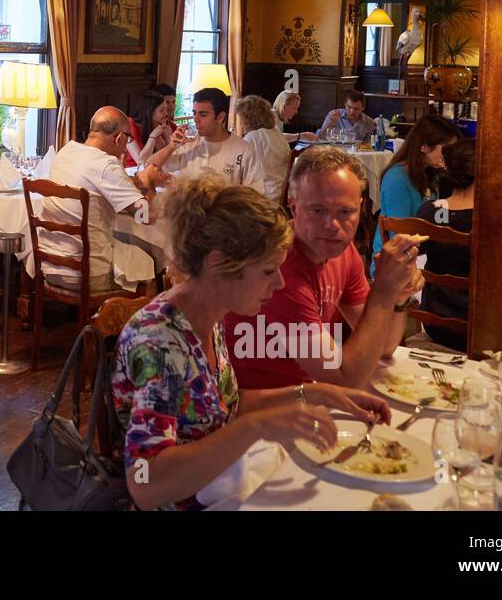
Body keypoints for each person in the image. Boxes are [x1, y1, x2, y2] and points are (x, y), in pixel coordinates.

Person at [112, 173, 390, 511]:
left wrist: (311, 393)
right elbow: (144, 484)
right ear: (218, 264)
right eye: (268, 270)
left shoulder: (209, 317)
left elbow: (220, 409)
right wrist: (257, 426)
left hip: (221, 483)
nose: (280, 282)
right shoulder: (160, 342)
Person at [224, 146, 426, 390]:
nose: (332, 225)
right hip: (261, 409)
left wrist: (398, 296)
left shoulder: (344, 251)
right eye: (318, 210)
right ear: (293, 206)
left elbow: (383, 347)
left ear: (361, 208)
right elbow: (346, 377)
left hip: (308, 394)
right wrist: (383, 292)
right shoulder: (278, 268)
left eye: (345, 211)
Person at [34, 107, 166, 294]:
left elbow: (100, 186)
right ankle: (141, 323)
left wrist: (134, 183)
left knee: (128, 252)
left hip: (50, 265)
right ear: (119, 138)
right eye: (128, 140)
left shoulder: (66, 151)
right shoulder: (105, 164)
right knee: (149, 263)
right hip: (87, 273)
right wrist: (149, 183)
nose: (126, 147)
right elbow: (147, 216)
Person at [415, 138, 475, 352]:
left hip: (436, 323)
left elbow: (407, 255)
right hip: (481, 328)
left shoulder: (429, 212)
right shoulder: (493, 218)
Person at [146, 87, 266, 194]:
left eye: (203, 114)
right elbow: (149, 167)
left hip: (222, 215)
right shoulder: (188, 143)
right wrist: (171, 146)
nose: (195, 119)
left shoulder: (243, 149)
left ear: (220, 117)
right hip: (187, 212)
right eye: (194, 113)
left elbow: (255, 193)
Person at [372, 113, 460, 255]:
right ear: (424, 146)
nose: (451, 154)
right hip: (395, 257)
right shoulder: (397, 178)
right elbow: (400, 234)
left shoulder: (432, 173)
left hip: (421, 249)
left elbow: (438, 218)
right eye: (446, 148)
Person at [235, 94, 291, 204]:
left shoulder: (253, 138)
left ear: (249, 118)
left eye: (242, 118)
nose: (241, 124)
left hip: (264, 198)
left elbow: (240, 172)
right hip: (282, 195)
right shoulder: (278, 135)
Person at [128, 89, 177, 167]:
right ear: (148, 112)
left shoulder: (156, 124)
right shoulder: (129, 124)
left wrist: (168, 138)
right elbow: (141, 161)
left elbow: (163, 155)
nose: (166, 113)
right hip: (131, 170)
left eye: (165, 109)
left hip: (151, 168)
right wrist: (153, 136)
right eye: (161, 110)